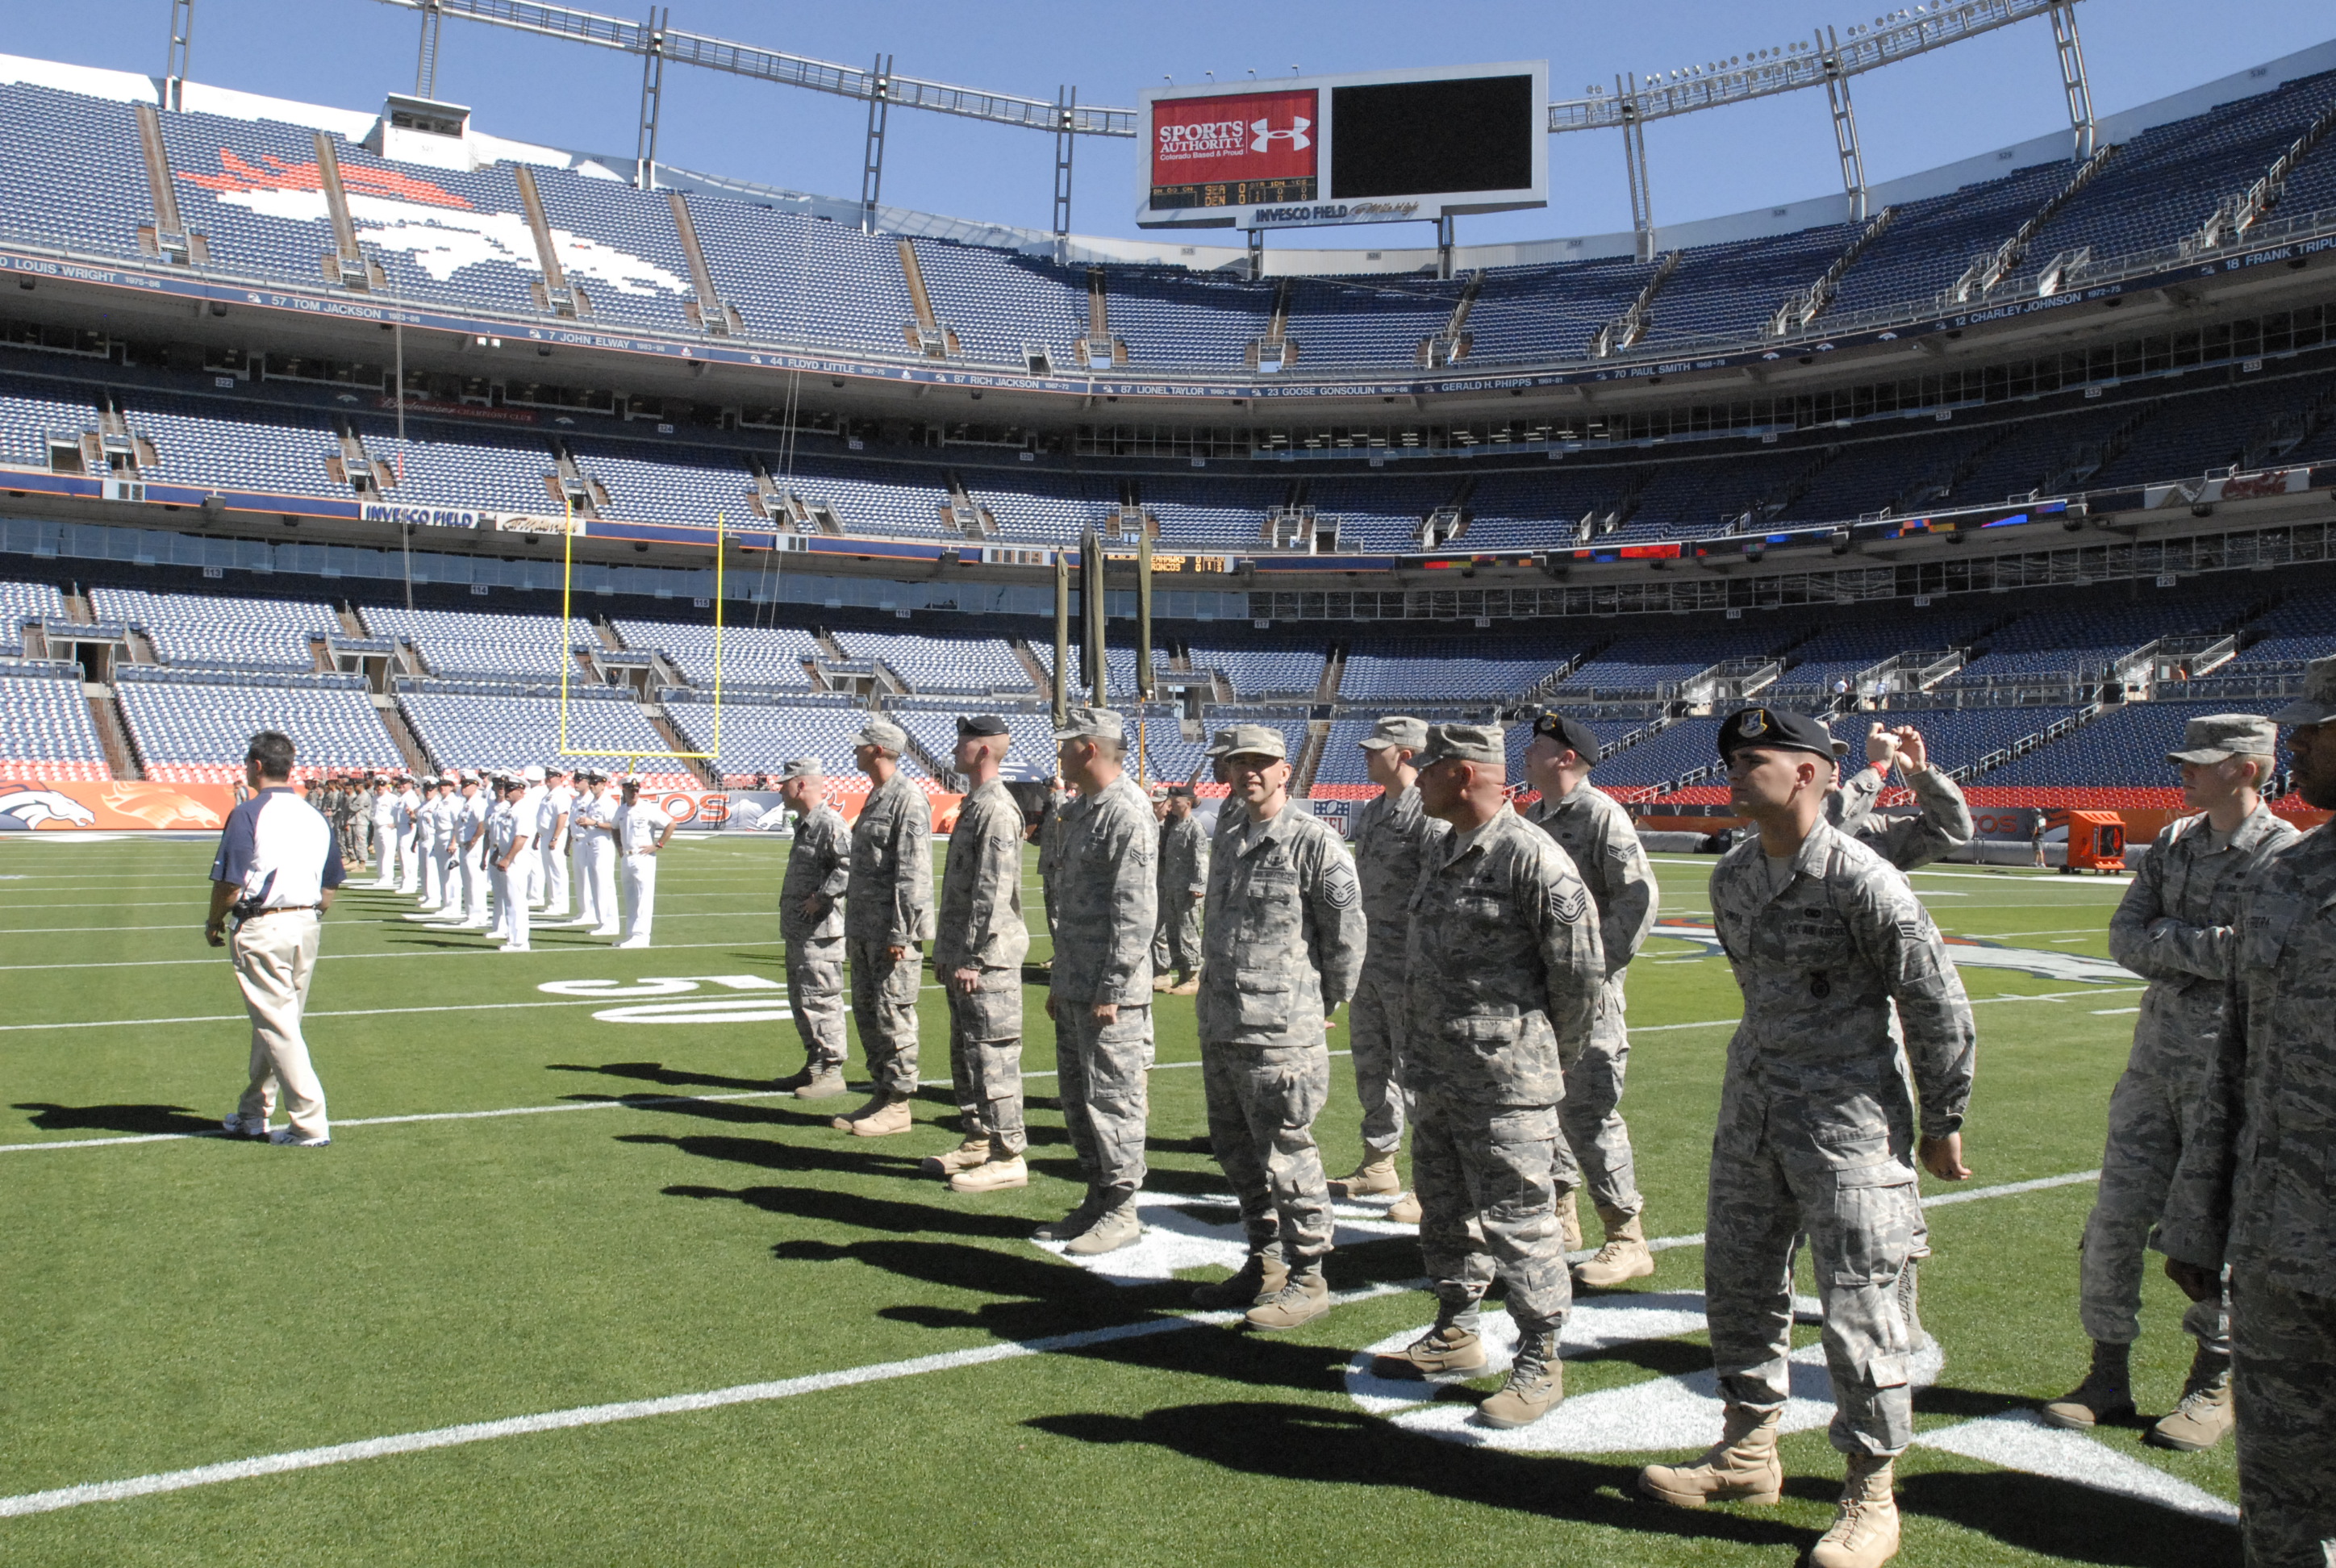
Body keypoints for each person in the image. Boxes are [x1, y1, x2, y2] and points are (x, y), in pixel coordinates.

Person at [1637, 707, 1975, 1568]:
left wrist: (1942, 1120)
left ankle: (1870, 1492)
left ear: (1810, 774)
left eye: (1753, 758)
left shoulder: (1863, 879)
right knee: (1740, 1286)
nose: (1734, 770)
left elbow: (1935, 1004)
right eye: (1732, 759)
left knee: (1864, 1304)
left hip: (1849, 1123)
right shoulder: (1734, 877)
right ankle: (1747, 1452)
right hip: (1753, 1109)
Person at [2042, 713, 2296, 1451]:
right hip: (2153, 1066)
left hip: (2233, 1074)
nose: (2184, 771)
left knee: (2215, 1231)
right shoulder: (2177, 844)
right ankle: (2107, 1373)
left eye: (2202, 762)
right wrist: (2203, 946)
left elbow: (2262, 953)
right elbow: (2125, 938)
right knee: (2115, 1221)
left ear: (2245, 769)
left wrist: (2173, 944)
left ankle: (2213, 1383)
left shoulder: (2285, 856)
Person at [1370, 723, 1603, 1428]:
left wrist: (1543, 1059)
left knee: (1521, 1222)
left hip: (1507, 1084)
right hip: (1440, 1075)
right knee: (1445, 1210)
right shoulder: (1445, 849)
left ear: (1463, 774)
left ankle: (1539, 1360)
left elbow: (1580, 977)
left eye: (1432, 767)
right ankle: (1457, 1330)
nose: (1421, 777)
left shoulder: (1531, 859)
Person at [2159, 658, 2336, 1568]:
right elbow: (2235, 1057)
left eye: (2318, 725)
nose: (2295, 740)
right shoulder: (2289, 880)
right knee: (2275, 1494)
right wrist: (2198, 1213)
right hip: (2277, 1251)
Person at [1190, 724, 1366, 1328]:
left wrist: (1323, 1003)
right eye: (1239, 763)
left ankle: (1309, 1274)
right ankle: (1263, 1261)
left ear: (1285, 770)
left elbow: (1346, 935)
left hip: (1280, 1032)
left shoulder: (1312, 841)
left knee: (1288, 1156)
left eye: (1261, 763)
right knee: (1237, 1153)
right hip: (1223, 1021)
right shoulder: (1230, 830)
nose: (1250, 773)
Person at [1522, 710, 1662, 1287]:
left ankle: (1627, 1236)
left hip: (1588, 994)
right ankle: (1563, 1213)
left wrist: (1593, 969)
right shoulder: (1534, 817)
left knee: (1590, 1112)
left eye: (1537, 747)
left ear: (1567, 759)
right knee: (1546, 1106)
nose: (1526, 754)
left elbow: (1637, 898)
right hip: (1541, 991)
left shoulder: (1601, 814)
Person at [1038, 707, 1159, 1255]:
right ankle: (1096, 1196)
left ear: (1089, 749)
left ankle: (1122, 1208)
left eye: (1067, 745)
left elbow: (1134, 913)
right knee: (1077, 1099)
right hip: (1076, 984)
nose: (1060, 755)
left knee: (1114, 1100)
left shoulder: (1126, 812)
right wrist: (1063, 981)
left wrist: (1111, 988)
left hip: (1110, 994)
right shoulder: (1083, 810)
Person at [1329, 715, 1447, 1224]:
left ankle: (1430, 1182)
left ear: (1406, 754)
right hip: (1371, 962)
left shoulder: (1430, 813)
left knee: (1418, 1075)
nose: (1367, 755)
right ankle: (1379, 1163)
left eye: (1377, 748)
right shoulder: (1374, 811)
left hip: (1412, 966)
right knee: (1373, 1066)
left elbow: (1437, 893)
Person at [207, 730, 345, 1148]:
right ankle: (253, 1111)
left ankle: (309, 1122)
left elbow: (230, 881)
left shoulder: (250, 812)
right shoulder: (312, 814)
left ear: (257, 766)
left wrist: (213, 921)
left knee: (278, 1025)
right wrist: (311, 914)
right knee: (278, 1023)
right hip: (306, 923)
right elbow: (332, 883)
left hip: (264, 923)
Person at [929, 716, 1034, 1193]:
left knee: (992, 1056)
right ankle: (979, 1140)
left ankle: (1009, 1154)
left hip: (988, 958)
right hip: (965, 954)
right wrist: (948, 951)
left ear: (985, 751)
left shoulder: (996, 809)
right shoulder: (976, 802)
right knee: (968, 1053)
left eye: (963, 743)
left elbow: (990, 893)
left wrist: (970, 956)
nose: (954, 749)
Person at [832, 718, 934, 1137]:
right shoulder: (877, 795)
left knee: (893, 1015)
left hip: (891, 934)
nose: (856, 751)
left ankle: (898, 1104)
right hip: (865, 929)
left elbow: (913, 873)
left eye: (862, 746)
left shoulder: (907, 799)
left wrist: (902, 933)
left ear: (878, 750)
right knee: (870, 1015)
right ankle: (881, 1091)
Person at [771, 758, 853, 1097]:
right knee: (802, 1000)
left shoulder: (829, 823)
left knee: (821, 1000)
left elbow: (849, 865)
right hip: (802, 931)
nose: (780, 788)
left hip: (820, 934)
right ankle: (814, 1063)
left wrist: (821, 897)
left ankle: (831, 1070)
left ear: (800, 785)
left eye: (785, 783)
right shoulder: (807, 824)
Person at [1828, 724, 1972, 872]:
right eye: (1820, 756)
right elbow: (1824, 832)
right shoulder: (1809, 826)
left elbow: (1953, 832)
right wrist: (1878, 768)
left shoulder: (1871, 827)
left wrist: (1921, 773)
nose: (1832, 764)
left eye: (1832, 756)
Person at [1151, 785, 1209, 995]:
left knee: (1188, 932)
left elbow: (1201, 859)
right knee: (1174, 933)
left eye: (1176, 802)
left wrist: (1199, 885)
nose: (1172, 806)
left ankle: (1193, 977)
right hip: (1171, 887)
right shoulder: (1174, 826)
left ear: (1188, 803)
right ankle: (1182, 975)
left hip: (1187, 890)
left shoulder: (1195, 827)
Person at [614, 776, 674, 949]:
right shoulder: (622, 810)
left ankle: (642, 936)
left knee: (643, 898)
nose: (634, 793)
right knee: (630, 897)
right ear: (623, 790)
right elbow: (614, 827)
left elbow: (671, 824)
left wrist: (658, 844)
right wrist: (618, 845)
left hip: (643, 856)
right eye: (630, 790)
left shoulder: (647, 808)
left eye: (636, 790)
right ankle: (631, 934)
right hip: (627, 856)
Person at [569, 770, 620, 936]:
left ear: (603, 783)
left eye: (595, 783)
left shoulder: (608, 803)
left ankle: (610, 923)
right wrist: (586, 824)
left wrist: (594, 823)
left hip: (603, 845)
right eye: (591, 782)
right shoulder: (593, 802)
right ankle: (602, 921)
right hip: (591, 843)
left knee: (604, 885)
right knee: (595, 884)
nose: (592, 785)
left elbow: (614, 825)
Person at [490, 776, 534, 950]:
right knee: (510, 899)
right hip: (508, 857)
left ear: (521, 791)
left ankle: (519, 941)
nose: (507, 792)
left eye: (511, 789)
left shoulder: (522, 810)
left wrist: (508, 858)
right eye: (506, 788)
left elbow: (521, 837)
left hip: (516, 858)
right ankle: (513, 937)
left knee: (516, 900)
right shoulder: (511, 809)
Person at [1036, 774, 1070, 957]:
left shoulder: (1065, 803)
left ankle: (1064, 955)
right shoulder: (1049, 807)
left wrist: (1060, 791)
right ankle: (1058, 951)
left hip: (1060, 868)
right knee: (1051, 913)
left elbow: (1063, 815)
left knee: (1059, 912)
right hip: (1048, 866)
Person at [539, 766, 574, 921]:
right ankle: (553, 902)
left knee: (557, 870)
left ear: (559, 778)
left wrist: (555, 837)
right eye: (547, 777)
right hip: (547, 834)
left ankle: (560, 904)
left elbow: (562, 816)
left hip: (555, 834)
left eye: (551, 777)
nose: (548, 780)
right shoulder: (549, 795)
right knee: (549, 870)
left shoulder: (561, 795)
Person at [395, 774, 423, 895]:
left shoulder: (410, 797)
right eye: (400, 782)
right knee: (403, 857)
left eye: (404, 783)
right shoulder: (403, 797)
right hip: (402, 828)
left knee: (408, 858)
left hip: (408, 829)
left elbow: (414, 815)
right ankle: (405, 882)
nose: (401, 785)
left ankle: (409, 885)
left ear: (410, 784)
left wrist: (412, 819)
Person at [368, 777, 397, 888]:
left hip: (387, 828)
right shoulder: (375, 798)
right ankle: (381, 876)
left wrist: (395, 823)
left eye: (382, 785)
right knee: (379, 853)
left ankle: (387, 877)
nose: (380, 787)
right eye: (378, 785)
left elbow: (398, 812)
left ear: (386, 786)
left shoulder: (392, 798)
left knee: (387, 853)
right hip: (377, 827)